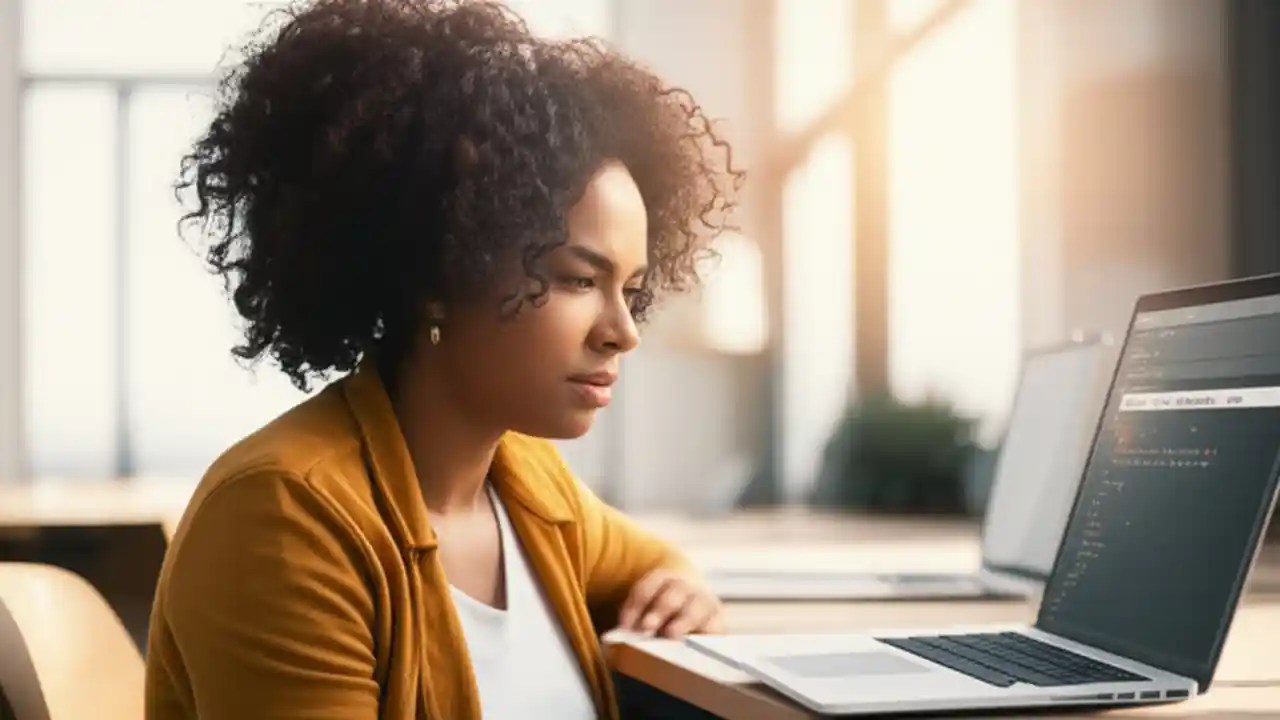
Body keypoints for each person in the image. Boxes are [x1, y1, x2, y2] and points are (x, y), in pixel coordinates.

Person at [143, 0, 742, 718]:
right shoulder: (285, 516)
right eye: (579, 279)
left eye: (631, 289)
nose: (622, 331)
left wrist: (682, 582)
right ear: (437, 275)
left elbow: (650, 562)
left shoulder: (522, 483)